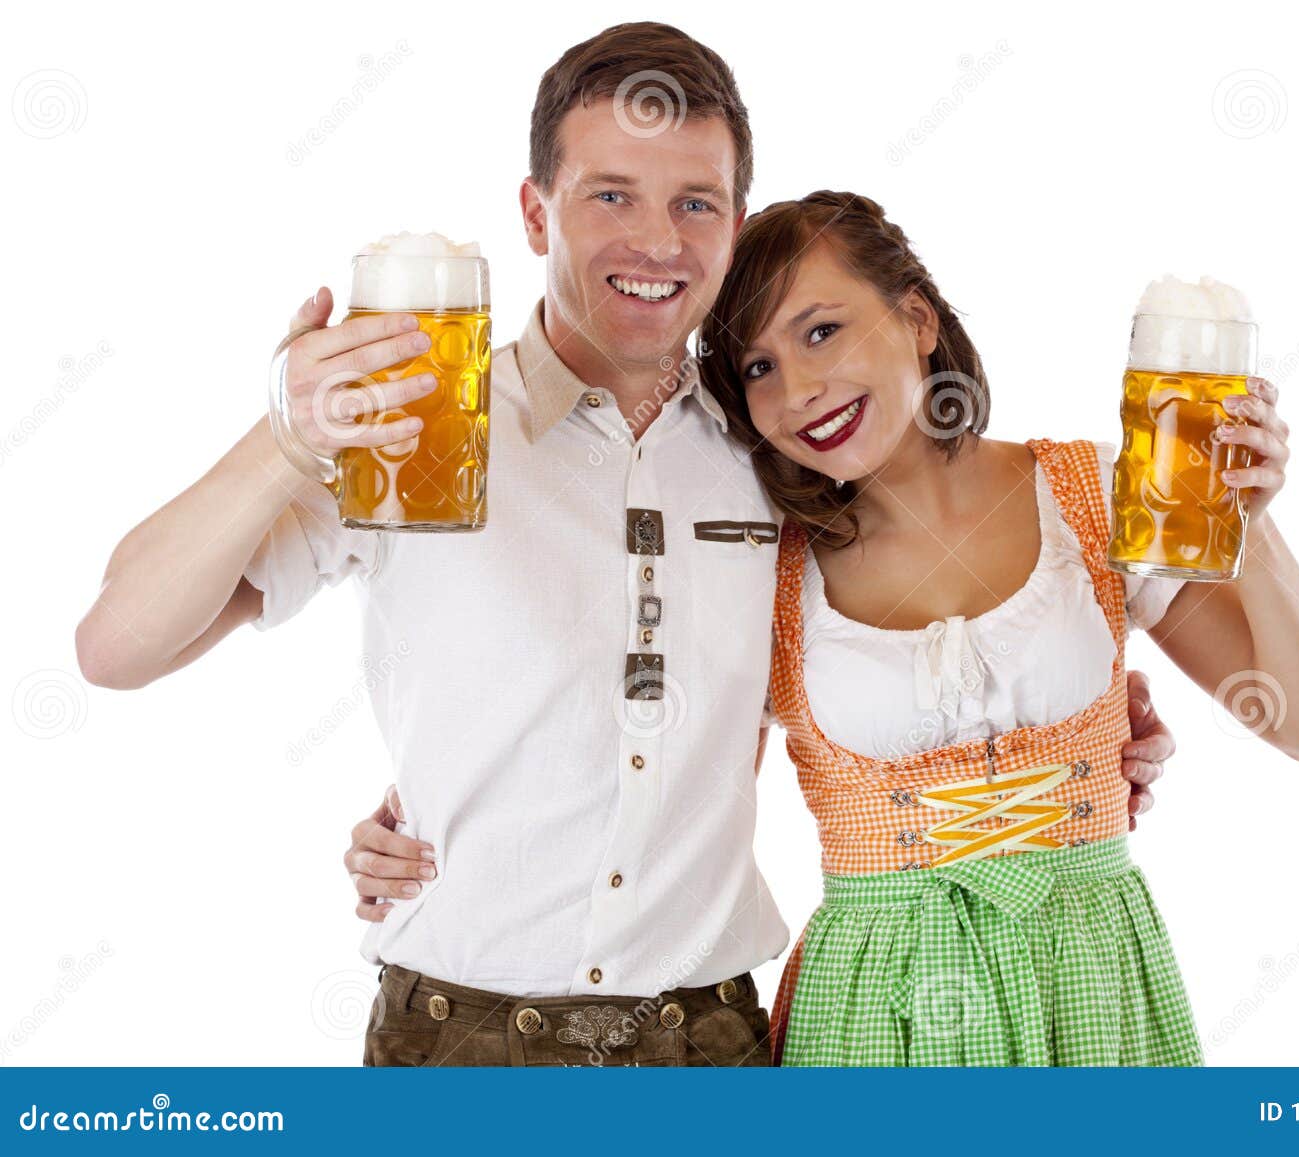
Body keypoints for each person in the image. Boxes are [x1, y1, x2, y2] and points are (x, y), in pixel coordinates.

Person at [73, 23, 1180, 1067]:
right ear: (534, 210)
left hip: (705, 1042)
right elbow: (116, 645)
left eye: (695, 202)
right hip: (457, 1039)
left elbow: (906, 623)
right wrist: (284, 439)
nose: (657, 242)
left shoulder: (784, 452)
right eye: (612, 195)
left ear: (734, 226)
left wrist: (1073, 736)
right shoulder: (415, 432)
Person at [698, 191, 1299, 1065]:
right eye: (759, 368)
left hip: (1091, 988)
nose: (799, 389)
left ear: (918, 317)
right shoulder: (763, 573)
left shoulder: (1094, 498)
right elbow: (685, 823)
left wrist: (1253, 524)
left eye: (822, 331)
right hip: (875, 1021)